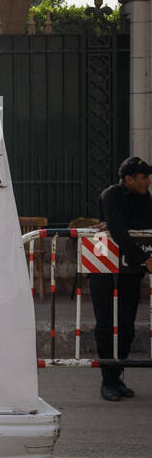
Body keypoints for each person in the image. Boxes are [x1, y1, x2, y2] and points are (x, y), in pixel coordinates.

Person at [91, 156, 152, 401]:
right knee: (106, 324)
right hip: (105, 268)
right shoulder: (112, 195)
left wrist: (126, 228)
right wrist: (143, 258)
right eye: (144, 177)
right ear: (129, 179)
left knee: (126, 326)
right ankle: (108, 381)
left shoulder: (143, 197)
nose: (148, 181)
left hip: (129, 271)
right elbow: (117, 230)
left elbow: (144, 222)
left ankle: (118, 378)